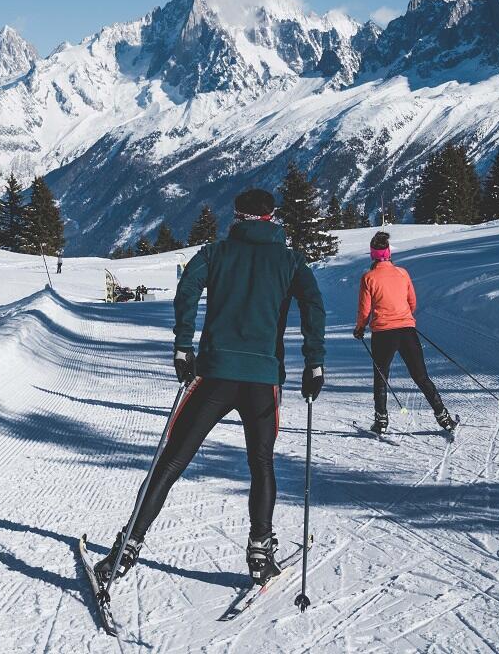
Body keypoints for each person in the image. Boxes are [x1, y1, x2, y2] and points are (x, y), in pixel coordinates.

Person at [94, 188, 326, 587]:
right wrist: (314, 362)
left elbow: (187, 288)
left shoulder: (216, 252)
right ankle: (259, 549)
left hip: (215, 372)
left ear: (236, 216)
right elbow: (313, 304)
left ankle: (128, 546)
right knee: (262, 463)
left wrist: (183, 345)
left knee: (171, 461)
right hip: (262, 379)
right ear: (272, 217)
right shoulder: (290, 259)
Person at [354, 231, 455, 435]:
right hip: (407, 330)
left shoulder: (368, 277)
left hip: (383, 333)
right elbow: (412, 302)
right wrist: (404, 317)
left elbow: (365, 309)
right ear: (389, 253)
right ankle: (443, 417)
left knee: (381, 376)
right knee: (420, 376)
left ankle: (381, 421)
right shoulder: (403, 273)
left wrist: (360, 327)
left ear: (373, 255)